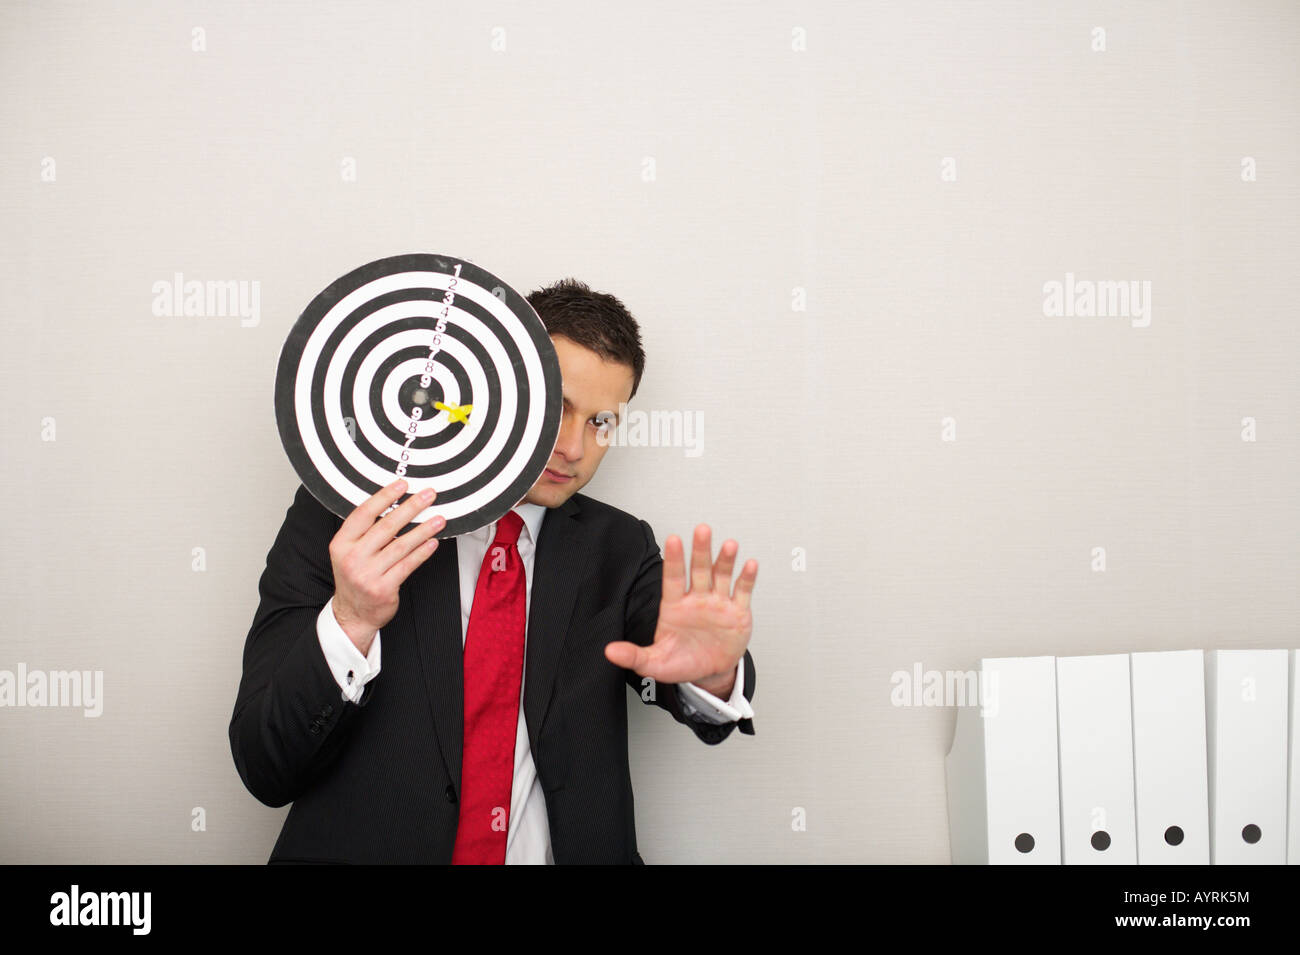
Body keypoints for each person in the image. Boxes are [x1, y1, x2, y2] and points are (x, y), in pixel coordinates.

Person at [229, 278, 758, 864]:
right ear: (503, 388)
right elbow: (264, 765)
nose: (573, 448)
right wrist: (351, 620)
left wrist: (712, 674)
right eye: (558, 407)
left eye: (600, 423)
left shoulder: (620, 549)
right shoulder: (350, 520)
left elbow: (681, 658)